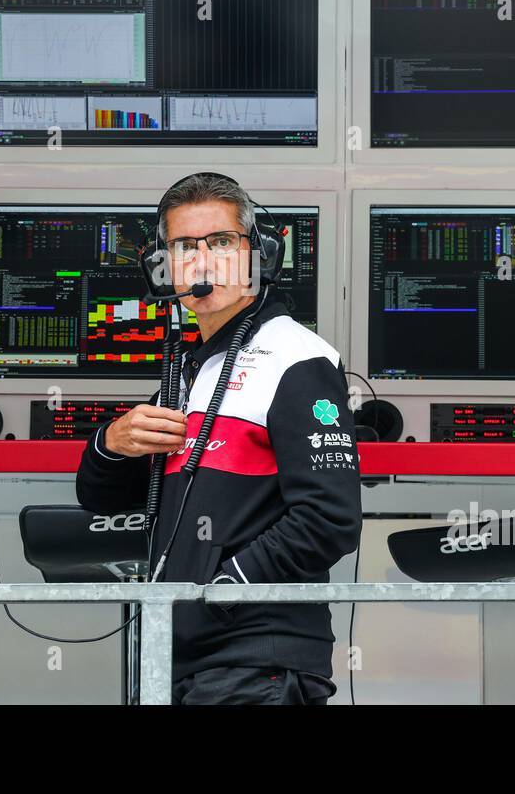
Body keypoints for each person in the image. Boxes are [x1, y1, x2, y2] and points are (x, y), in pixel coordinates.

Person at [75, 172, 362, 704]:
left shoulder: (297, 358)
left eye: (222, 242)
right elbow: (102, 500)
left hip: (256, 660)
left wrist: (224, 589)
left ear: (260, 255)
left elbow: (330, 519)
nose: (203, 262)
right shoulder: (188, 375)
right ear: (163, 266)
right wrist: (110, 444)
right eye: (185, 246)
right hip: (186, 657)